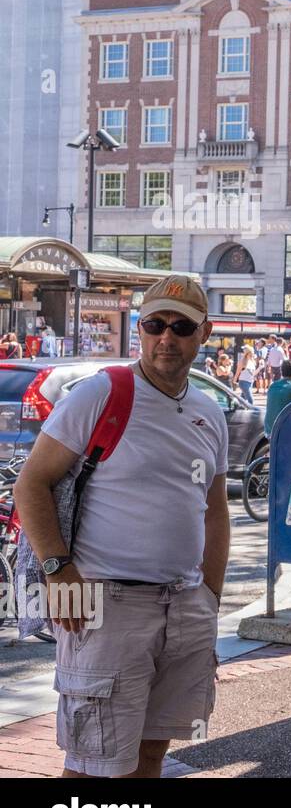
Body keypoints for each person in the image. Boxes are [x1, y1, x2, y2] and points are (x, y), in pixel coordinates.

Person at [14, 274, 229, 777]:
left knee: (151, 752)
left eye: (181, 326)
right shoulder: (102, 394)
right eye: (154, 324)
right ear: (140, 328)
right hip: (107, 607)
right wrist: (57, 569)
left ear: (205, 333)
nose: (166, 337)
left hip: (184, 606)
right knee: (93, 761)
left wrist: (210, 596)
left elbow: (214, 509)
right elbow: (32, 484)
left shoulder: (208, 413)